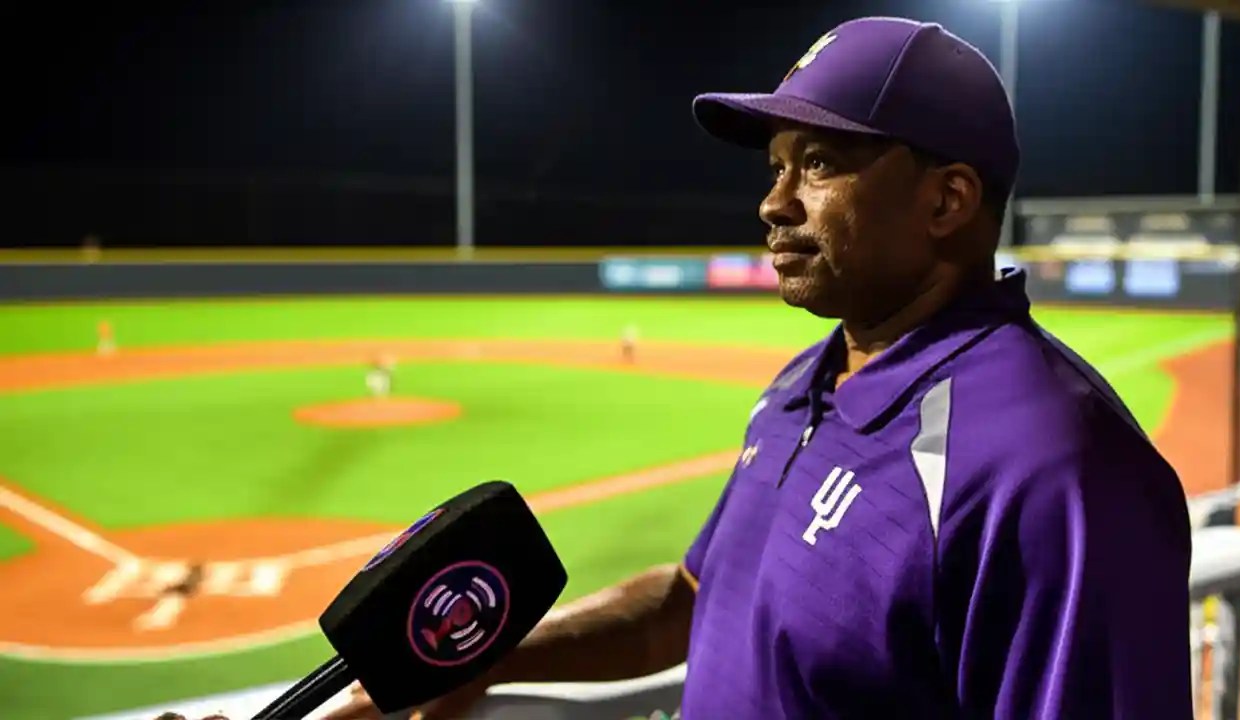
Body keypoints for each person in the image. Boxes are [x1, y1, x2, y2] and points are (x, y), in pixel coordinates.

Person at [328, 15, 1191, 719]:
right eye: (776, 166)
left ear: (947, 200)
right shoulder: (797, 389)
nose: (772, 204)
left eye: (818, 163)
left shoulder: (1052, 465)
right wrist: (487, 660)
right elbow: (699, 604)